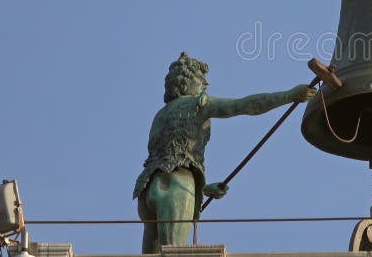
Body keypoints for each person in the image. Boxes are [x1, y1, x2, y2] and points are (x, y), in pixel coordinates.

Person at [133, 52, 316, 253]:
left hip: (147, 191)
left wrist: (202, 190)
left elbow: (170, 157)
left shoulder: (160, 116)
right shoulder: (197, 104)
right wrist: (289, 96)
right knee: (175, 254)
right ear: (187, 83)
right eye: (201, 81)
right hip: (179, 186)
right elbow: (245, 105)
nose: (204, 86)